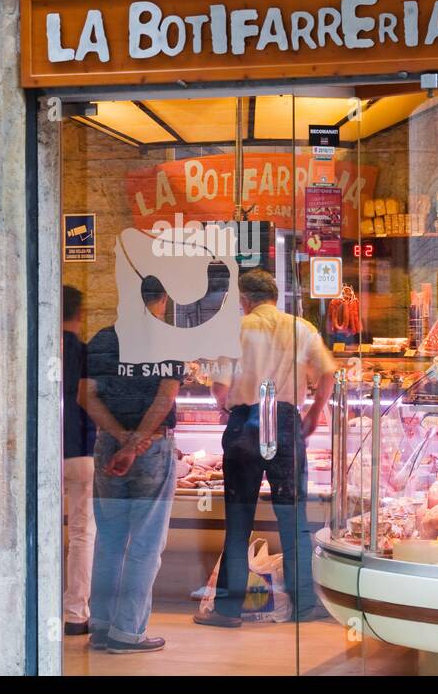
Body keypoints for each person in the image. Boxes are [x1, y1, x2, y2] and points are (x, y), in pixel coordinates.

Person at [196, 269, 337, 629]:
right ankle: (304, 606)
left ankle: (228, 612)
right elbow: (327, 374)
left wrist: (228, 407)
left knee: (239, 523)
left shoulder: (235, 330)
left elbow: (219, 387)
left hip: (247, 423)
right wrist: (315, 413)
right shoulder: (301, 328)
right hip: (286, 422)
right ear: (275, 297)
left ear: (244, 301)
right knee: (293, 521)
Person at [78, 276, 183, 654]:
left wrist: (122, 440)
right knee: (144, 545)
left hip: (109, 446)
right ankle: (127, 633)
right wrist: (138, 442)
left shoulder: (104, 339)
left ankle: (102, 627)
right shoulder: (168, 339)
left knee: (109, 540)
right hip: (151, 451)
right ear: (163, 299)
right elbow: (165, 398)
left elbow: (85, 396)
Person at [61, 285, 97, 636]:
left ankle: (35, 599)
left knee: (36, 530)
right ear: (80, 314)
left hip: (43, 456)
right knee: (82, 533)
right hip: (83, 452)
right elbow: (95, 402)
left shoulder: (36, 352)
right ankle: (75, 613)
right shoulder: (88, 354)